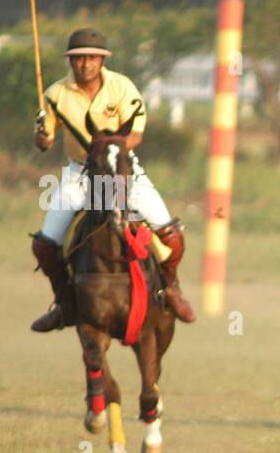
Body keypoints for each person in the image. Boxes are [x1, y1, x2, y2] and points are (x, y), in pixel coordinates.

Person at [30, 28, 195, 331]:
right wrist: (41, 137)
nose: (86, 64)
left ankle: (170, 289)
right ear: (71, 61)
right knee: (44, 245)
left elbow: (136, 133)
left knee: (172, 235)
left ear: (102, 59)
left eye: (92, 58)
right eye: (79, 59)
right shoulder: (55, 95)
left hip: (121, 169)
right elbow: (46, 141)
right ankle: (64, 303)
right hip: (79, 173)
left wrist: (111, 148)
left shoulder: (122, 88)